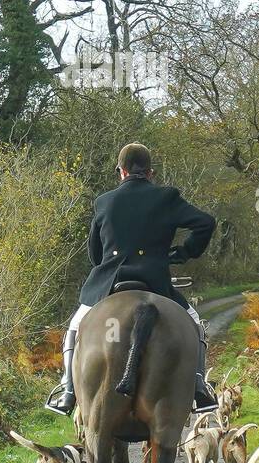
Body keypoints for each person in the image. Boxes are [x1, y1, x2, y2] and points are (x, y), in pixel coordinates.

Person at [45, 142, 220, 416]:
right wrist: (182, 253)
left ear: (121, 172)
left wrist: (110, 263)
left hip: (110, 283)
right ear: (150, 172)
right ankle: (199, 387)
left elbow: (95, 254)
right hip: (155, 282)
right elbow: (206, 222)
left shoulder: (104, 201)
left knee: (76, 326)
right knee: (195, 324)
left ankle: (67, 389)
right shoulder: (167, 197)